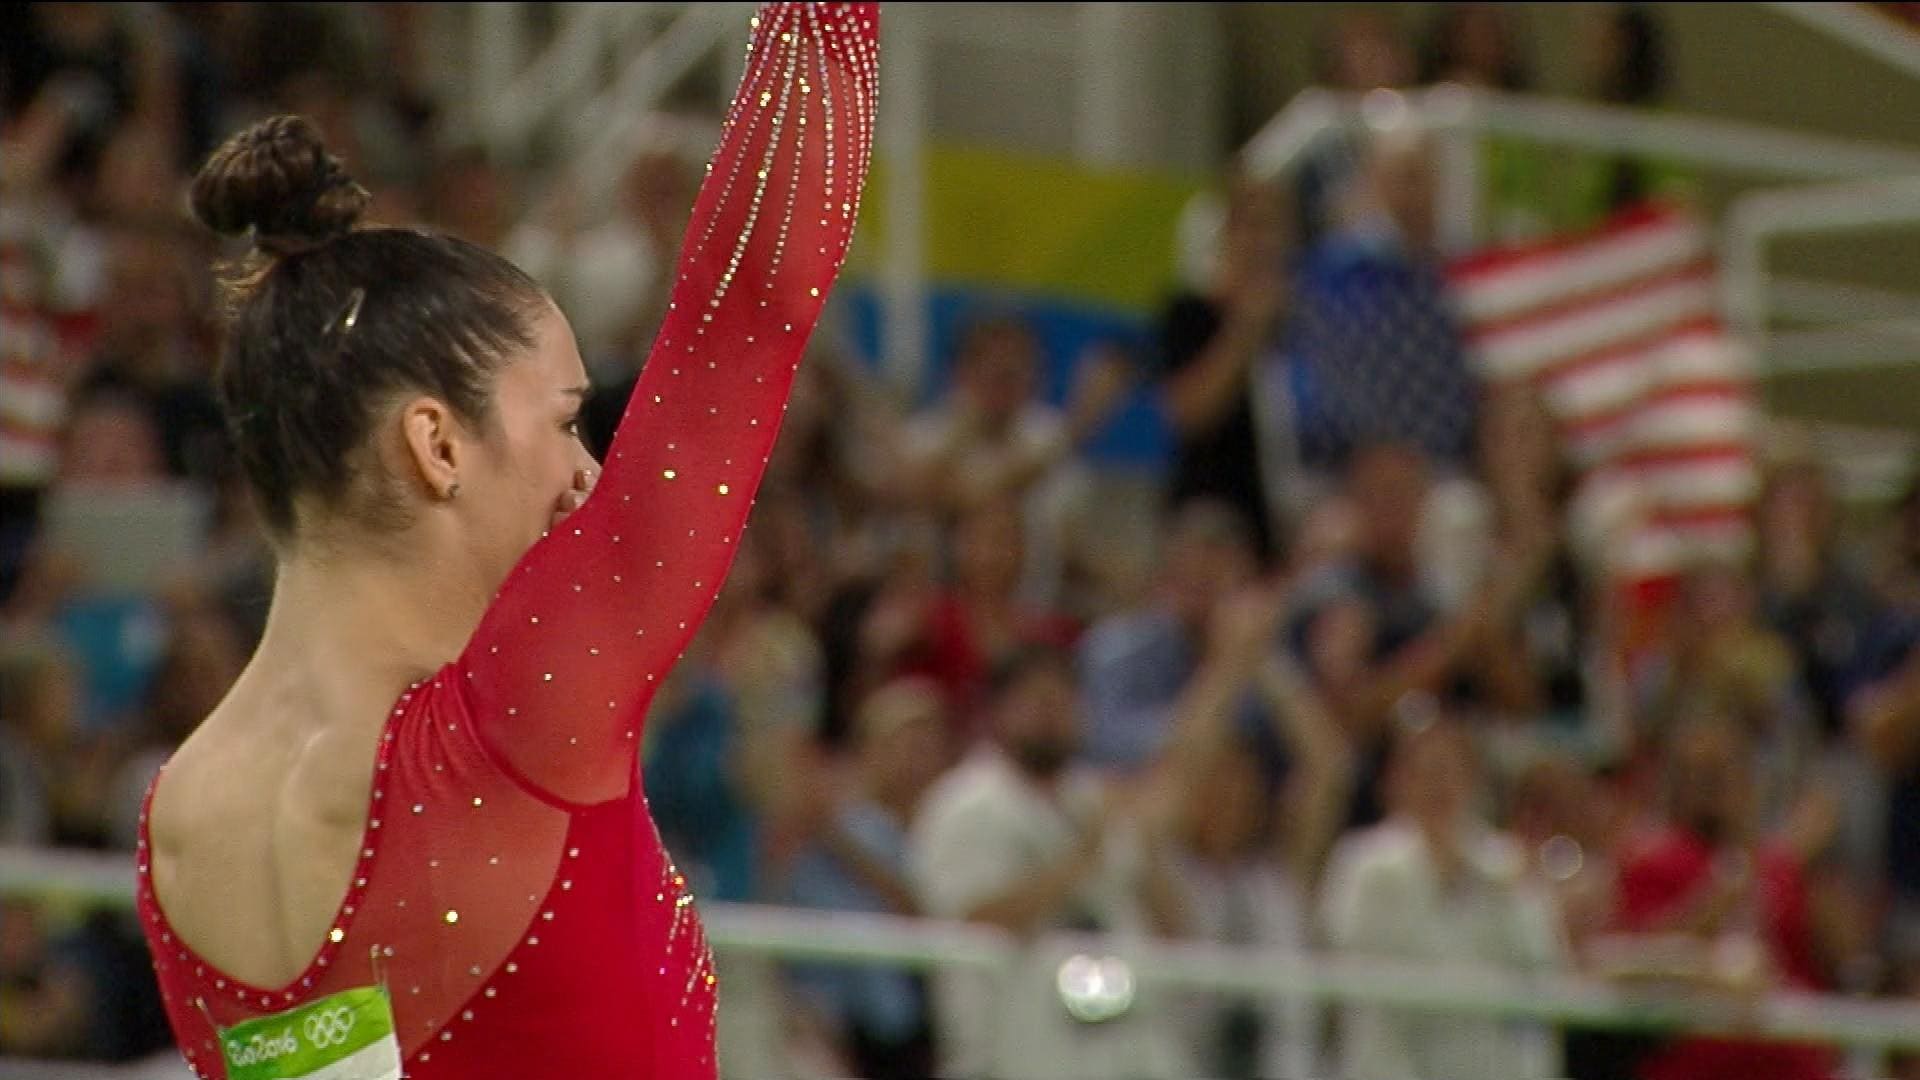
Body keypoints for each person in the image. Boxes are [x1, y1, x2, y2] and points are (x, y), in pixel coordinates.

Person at [132, 7, 877, 1080]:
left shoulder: (180, 820)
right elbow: (752, 305)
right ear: (436, 444)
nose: (588, 476)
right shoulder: (525, 714)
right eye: (567, 422)